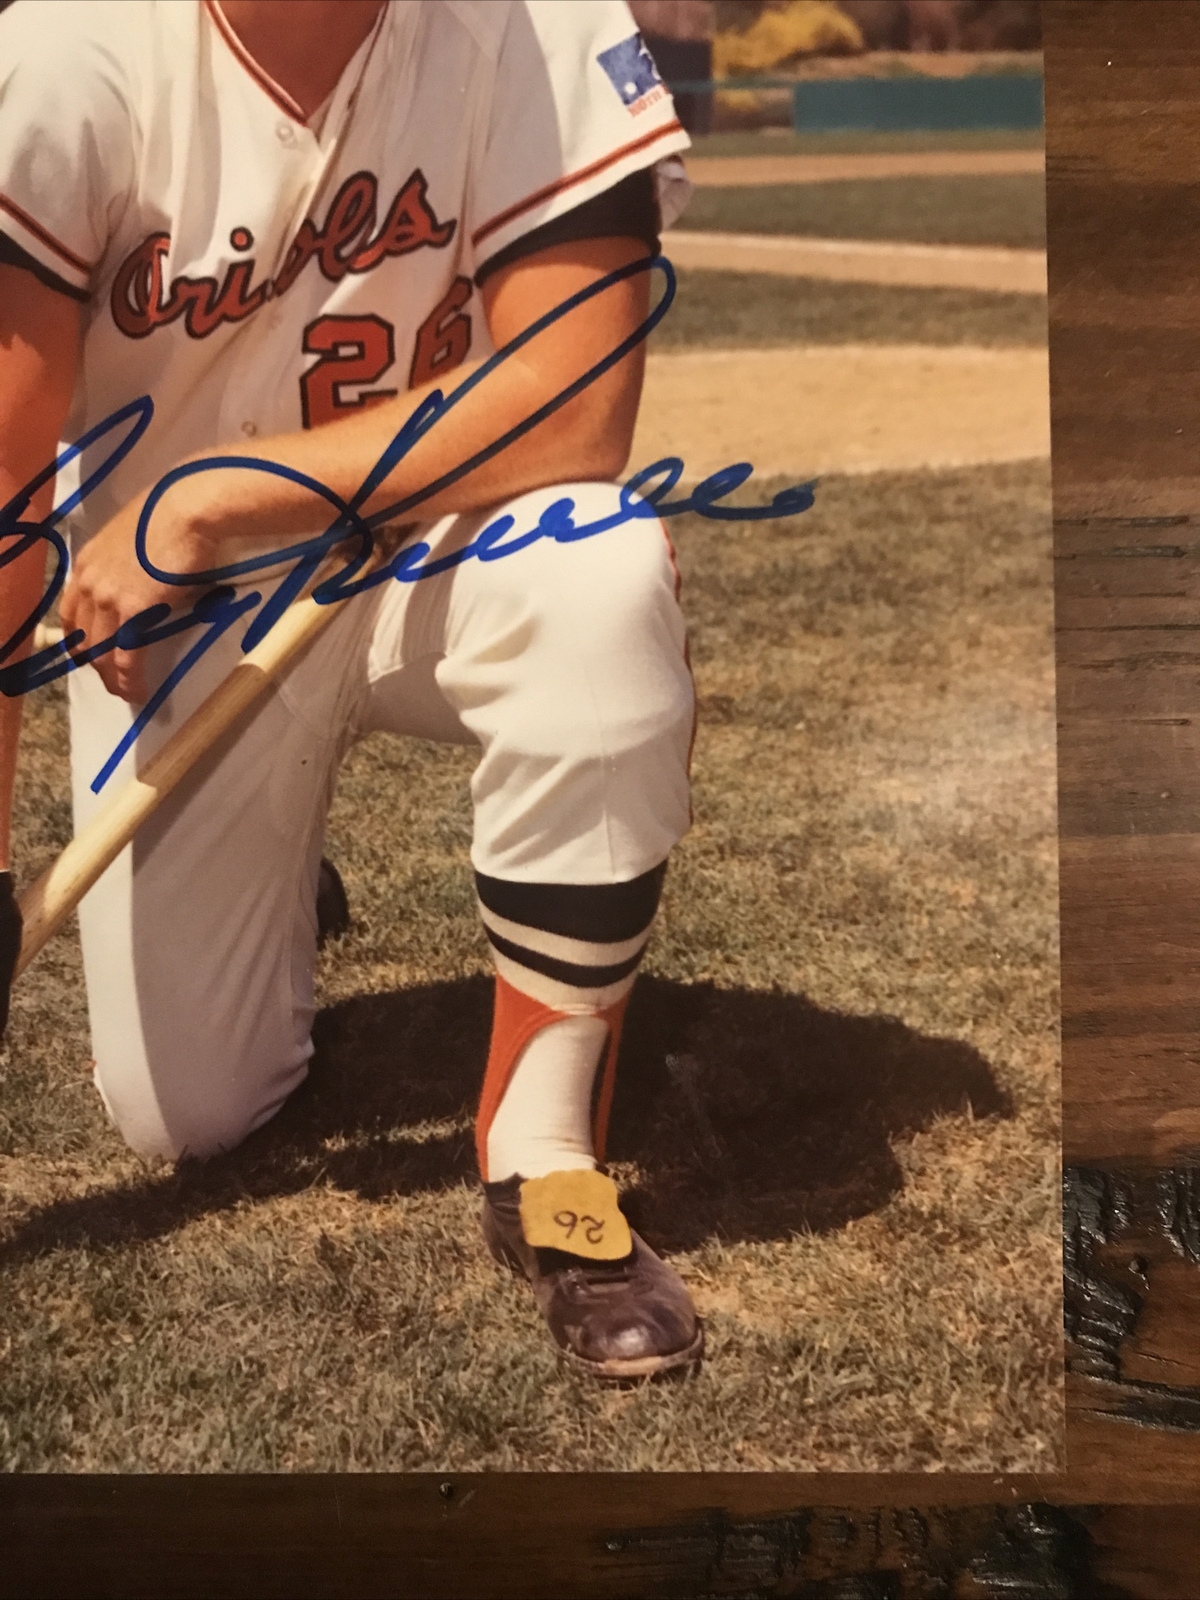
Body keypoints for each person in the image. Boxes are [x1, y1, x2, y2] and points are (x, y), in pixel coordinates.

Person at [0, 0, 703, 1381]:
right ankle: (280, 873)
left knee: (600, 573)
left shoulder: (538, 21)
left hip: (430, 537)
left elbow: (578, 411)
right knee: (190, 1119)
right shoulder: (65, 44)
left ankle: (546, 1158)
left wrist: (218, 494)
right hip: (178, 610)